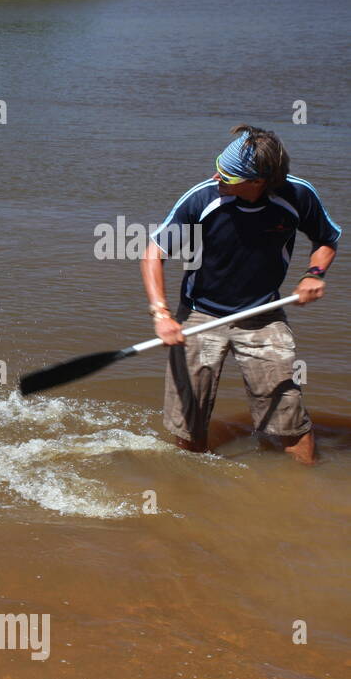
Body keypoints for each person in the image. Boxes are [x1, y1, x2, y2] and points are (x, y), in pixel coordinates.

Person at [140, 125, 339, 464]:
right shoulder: (201, 199)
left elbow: (326, 239)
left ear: (258, 181)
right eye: (219, 166)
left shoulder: (297, 197)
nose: (217, 176)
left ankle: (305, 486)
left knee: (289, 421)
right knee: (189, 428)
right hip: (199, 313)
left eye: (228, 176)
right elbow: (153, 253)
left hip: (264, 314)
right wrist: (162, 314)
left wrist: (314, 274)